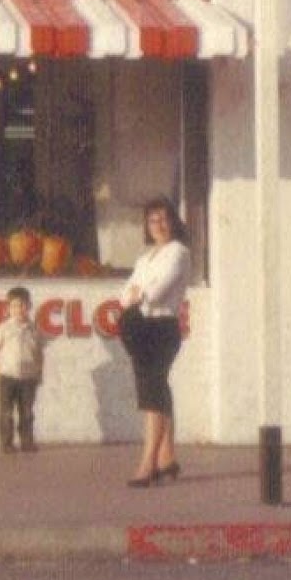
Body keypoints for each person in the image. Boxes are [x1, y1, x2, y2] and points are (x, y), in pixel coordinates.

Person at [118, 197, 191, 488]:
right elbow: (124, 295)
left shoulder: (178, 252)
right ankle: (167, 457)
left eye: (163, 219)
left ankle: (147, 463)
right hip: (140, 327)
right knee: (157, 389)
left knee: (151, 395)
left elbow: (158, 291)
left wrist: (140, 293)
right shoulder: (145, 258)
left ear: (173, 221)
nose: (158, 225)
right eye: (152, 220)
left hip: (161, 328)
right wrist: (135, 294)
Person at [0, 286, 46, 454]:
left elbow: (39, 353)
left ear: (29, 306)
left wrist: (39, 372)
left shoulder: (34, 330)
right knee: (6, 412)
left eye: (23, 305)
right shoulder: (4, 329)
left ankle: (27, 442)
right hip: (7, 376)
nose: (19, 309)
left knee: (27, 412)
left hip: (28, 377)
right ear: (8, 308)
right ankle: (7, 443)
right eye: (14, 306)